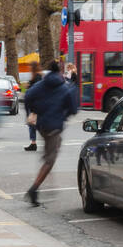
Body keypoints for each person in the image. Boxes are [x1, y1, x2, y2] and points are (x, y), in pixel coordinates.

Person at [22, 60, 79, 206]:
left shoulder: (41, 84)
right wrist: (63, 114)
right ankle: (33, 190)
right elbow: (73, 109)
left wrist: (33, 110)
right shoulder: (64, 87)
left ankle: (46, 181)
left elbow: (27, 96)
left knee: (51, 151)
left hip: (42, 126)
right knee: (50, 160)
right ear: (60, 71)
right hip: (54, 127)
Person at [22, 60, 43, 151]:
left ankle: (33, 143)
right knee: (34, 124)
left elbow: (36, 90)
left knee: (33, 124)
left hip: (35, 104)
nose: (29, 68)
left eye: (30, 66)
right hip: (36, 104)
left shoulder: (37, 77)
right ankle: (33, 143)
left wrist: (28, 87)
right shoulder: (38, 76)